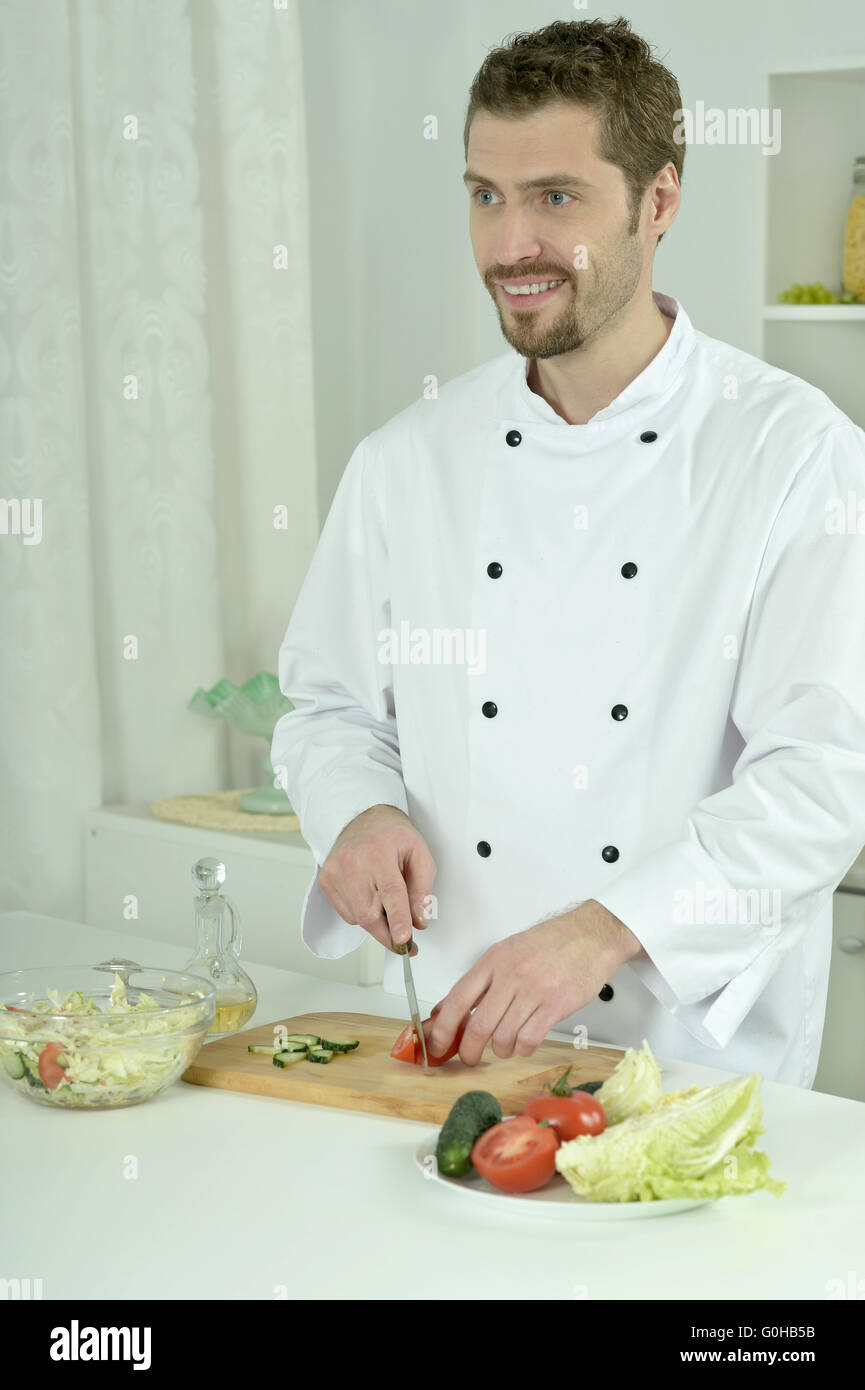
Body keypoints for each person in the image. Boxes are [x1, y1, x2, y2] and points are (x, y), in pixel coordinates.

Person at [270, 17, 865, 1086]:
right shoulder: (406, 460)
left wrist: (599, 927)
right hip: (455, 1053)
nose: (509, 246)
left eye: (556, 196)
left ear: (660, 202)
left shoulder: (793, 454)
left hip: (692, 1067)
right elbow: (328, 710)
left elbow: (822, 783)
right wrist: (355, 811)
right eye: (485, 195)